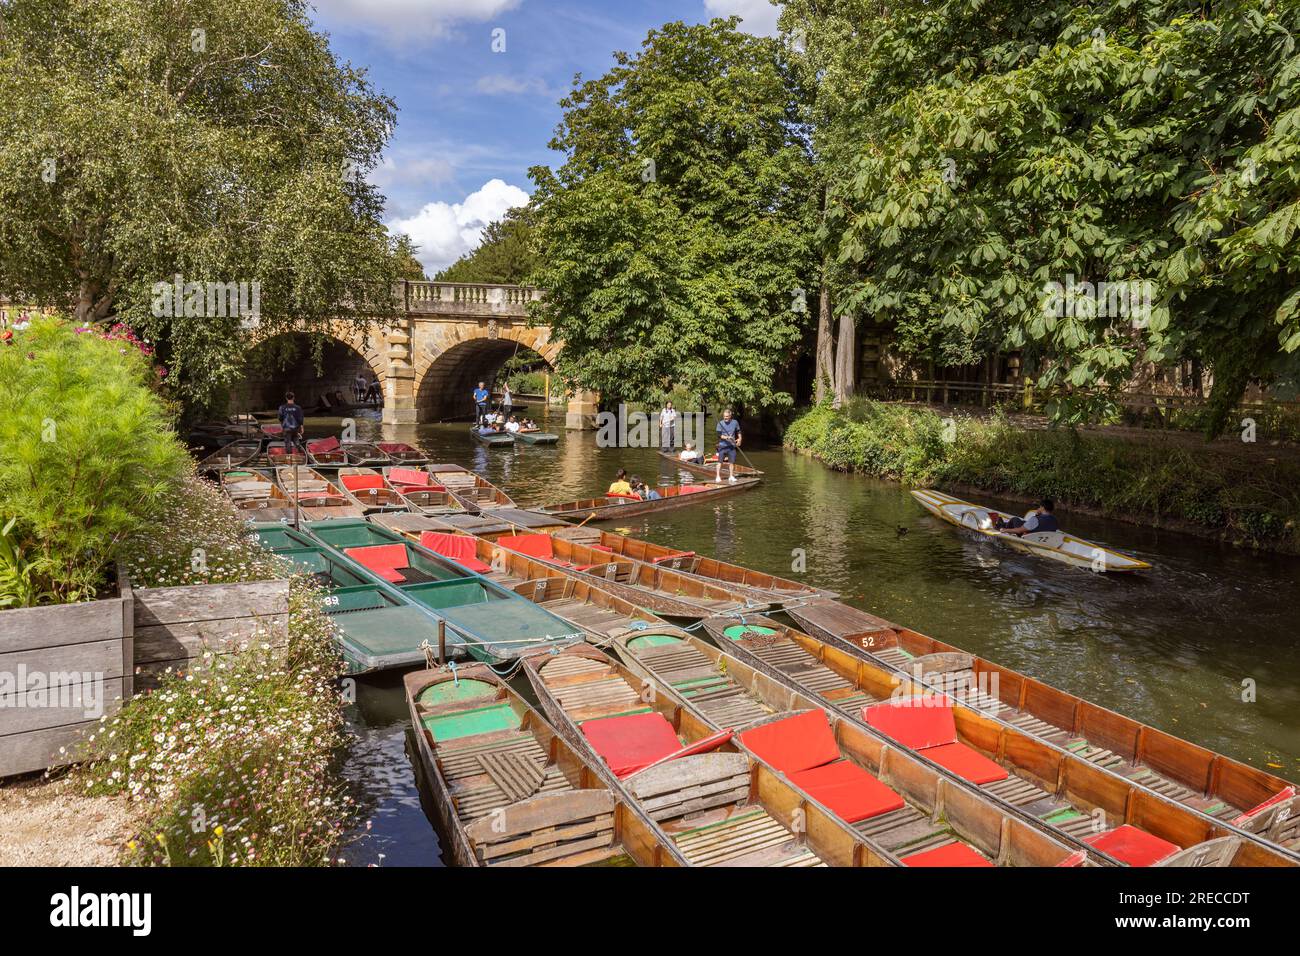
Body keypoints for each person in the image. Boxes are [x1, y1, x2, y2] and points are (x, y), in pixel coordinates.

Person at [993, 498, 1060, 535]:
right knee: (1023, 522)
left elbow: (1019, 531)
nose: (1038, 508)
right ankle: (1003, 524)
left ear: (1042, 508)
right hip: (1042, 537)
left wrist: (1005, 530)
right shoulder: (1055, 520)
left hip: (1028, 536)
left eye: (1039, 507)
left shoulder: (1035, 519)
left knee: (1015, 519)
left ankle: (1001, 526)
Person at [714, 408, 742, 484]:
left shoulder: (735, 422)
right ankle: (717, 476)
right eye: (724, 416)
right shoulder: (720, 423)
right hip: (722, 446)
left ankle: (731, 476)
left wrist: (739, 439)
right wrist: (727, 437)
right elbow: (719, 435)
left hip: (731, 446)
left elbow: (738, 431)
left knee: (732, 462)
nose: (725, 418)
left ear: (730, 416)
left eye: (726, 416)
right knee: (720, 462)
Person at [278, 391, 305, 455]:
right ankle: (302, 453)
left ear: (286, 398)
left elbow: (280, 418)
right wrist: (301, 427)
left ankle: (289, 457)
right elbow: (300, 419)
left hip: (286, 428)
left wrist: (282, 424)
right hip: (295, 428)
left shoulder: (282, 407)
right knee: (296, 441)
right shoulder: (298, 408)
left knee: (288, 443)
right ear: (293, 398)